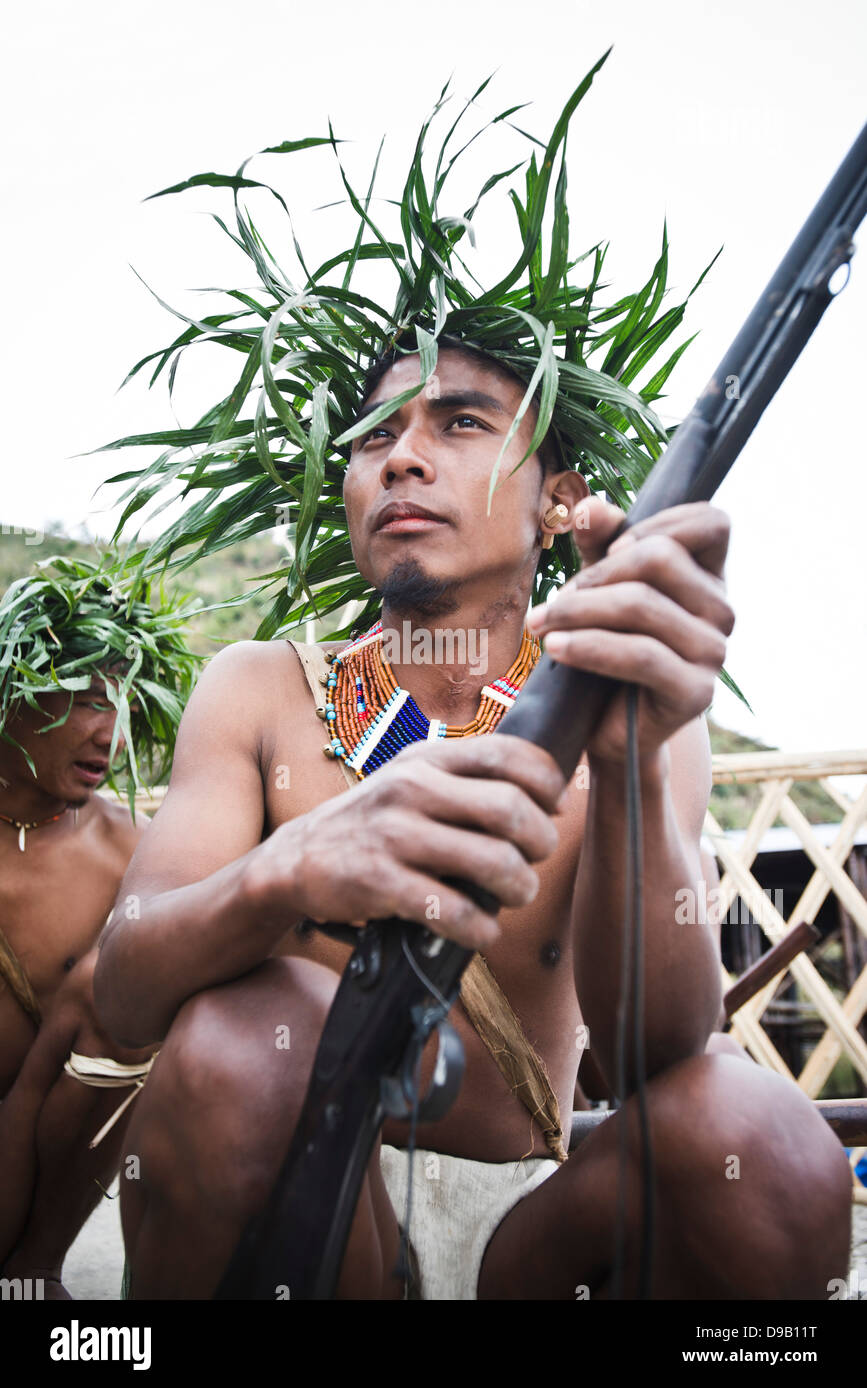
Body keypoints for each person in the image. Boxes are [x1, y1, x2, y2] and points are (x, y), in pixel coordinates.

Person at [95, 342, 851, 1299]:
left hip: (524, 1236)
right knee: (252, 1033)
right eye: (376, 436)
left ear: (558, 502)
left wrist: (624, 769)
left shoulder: (634, 705)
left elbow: (653, 1059)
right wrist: (286, 870)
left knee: (756, 1137)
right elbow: (122, 988)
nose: (401, 457)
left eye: (460, 422)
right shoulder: (257, 688)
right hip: (301, 1208)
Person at [0, 556, 200, 1297]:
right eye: (85, 699)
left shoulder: (132, 852)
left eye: (120, 703)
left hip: (52, 1154)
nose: (107, 735)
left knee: (129, 993)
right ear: (13, 691)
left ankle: (34, 1271)